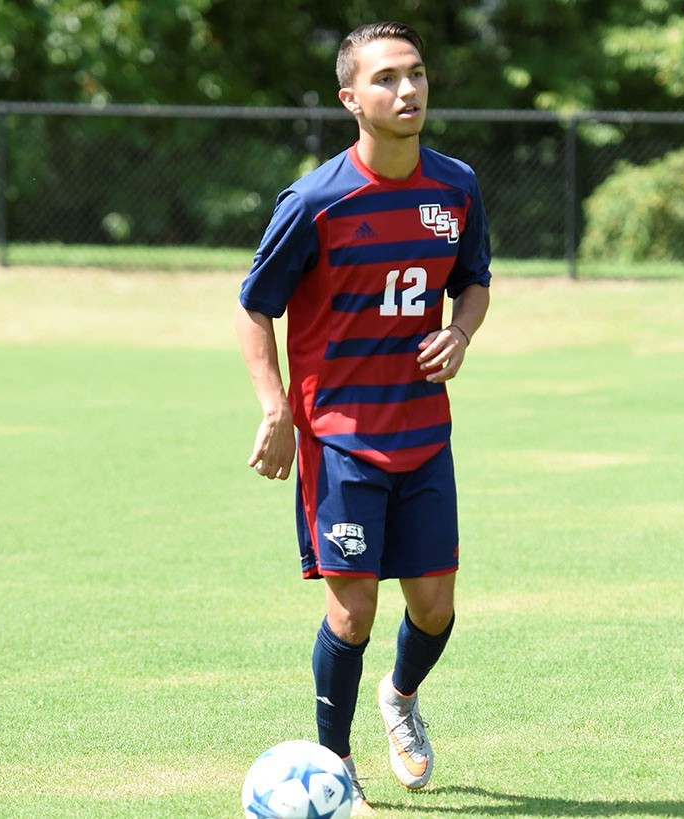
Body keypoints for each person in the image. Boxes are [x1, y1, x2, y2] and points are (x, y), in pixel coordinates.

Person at [235, 20, 491, 815]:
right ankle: (334, 764)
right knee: (352, 609)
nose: (407, 90)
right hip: (339, 438)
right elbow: (254, 308)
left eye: (415, 74)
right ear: (351, 99)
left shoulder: (456, 186)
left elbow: (473, 280)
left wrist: (462, 330)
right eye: (386, 79)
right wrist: (275, 408)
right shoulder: (316, 200)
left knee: (435, 605)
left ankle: (401, 695)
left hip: (424, 434)